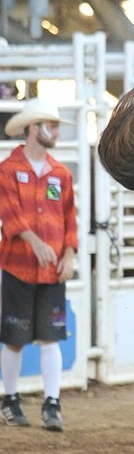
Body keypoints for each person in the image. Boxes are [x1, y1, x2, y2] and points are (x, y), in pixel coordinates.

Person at [0, 100, 78, 432]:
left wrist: (69, 253)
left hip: (52, 270)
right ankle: (10, 399)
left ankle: (52, 402)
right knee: (15, 338)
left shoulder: (61, 173)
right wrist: (34, 242)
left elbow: (70, 217)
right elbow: (9, 214)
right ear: (34, 128)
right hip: (18, 267)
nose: (57, 132)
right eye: (52, 126)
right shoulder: (7, 170)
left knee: (50, 337)